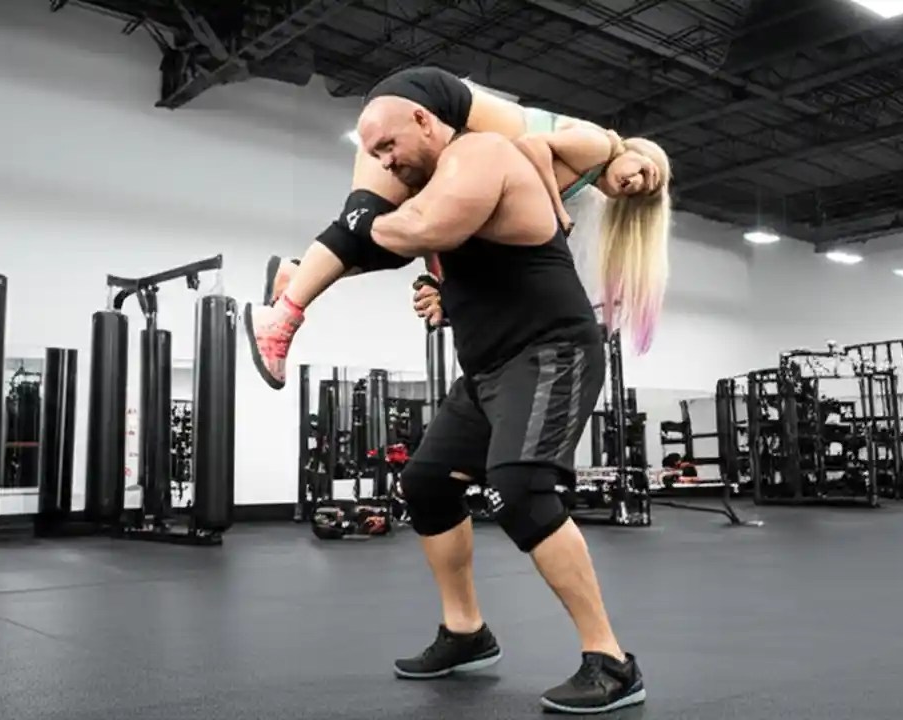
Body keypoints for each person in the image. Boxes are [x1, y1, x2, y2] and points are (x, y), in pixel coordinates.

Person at [352, 95, 646, 714]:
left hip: (550, 352)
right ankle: (466, 634)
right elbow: (466, 261)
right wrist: (441, 290)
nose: (384, 162)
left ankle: (612, 661)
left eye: (389, 148)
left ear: (429, 122)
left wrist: (354, 231)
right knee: (427, 483)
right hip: (486, 369)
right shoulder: (451, 196)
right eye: (374, 155)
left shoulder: (495, 160)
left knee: (520, 487)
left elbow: (436, 229)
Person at [245, 66, 671, 389]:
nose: (636, 183)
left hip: (447, 130)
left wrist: (441, 281)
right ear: (636, 151)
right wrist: (557, 214)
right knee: (363, 220)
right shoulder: (601, 144)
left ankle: (295, 274)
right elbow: (530, 147)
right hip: (432, 101)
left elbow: (452, 224)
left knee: (393, 247)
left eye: (642, 191)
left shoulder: (585, 187)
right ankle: (281, 317)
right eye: (644, 172)